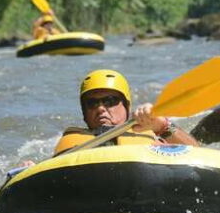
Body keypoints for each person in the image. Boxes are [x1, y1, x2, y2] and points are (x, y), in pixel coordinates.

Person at [15, 69, 198, 170]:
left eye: (110, 101)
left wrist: (162, 125)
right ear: (84, 113)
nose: (101, 108)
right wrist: (30, 170)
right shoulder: (72, 142)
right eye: (92, 103)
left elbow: (198, 154)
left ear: (126, 106)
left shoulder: (153, 135)